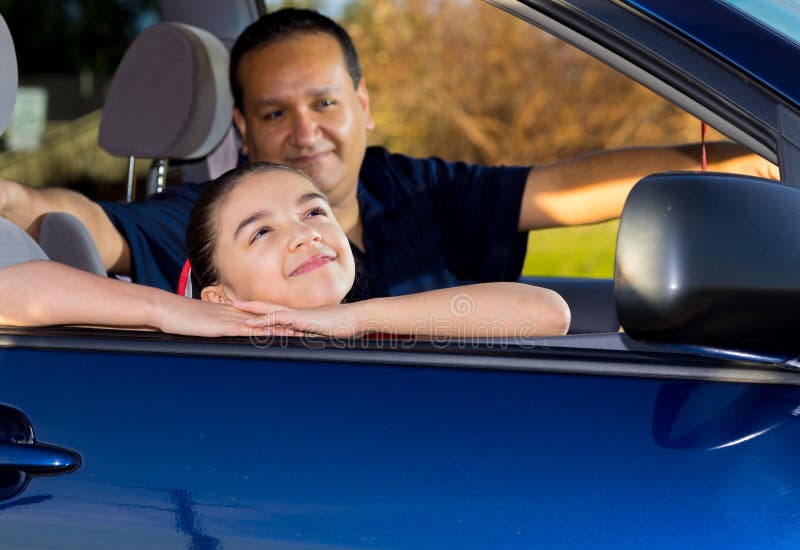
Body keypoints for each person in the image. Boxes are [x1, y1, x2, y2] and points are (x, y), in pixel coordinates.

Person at [0, 8, 778, 295]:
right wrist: (23, 203)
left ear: (362, 105)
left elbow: (564, 188)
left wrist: (742, 158)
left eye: (325, 103)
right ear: (243, 128)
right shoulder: (221, 217)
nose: (306, 132)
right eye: (276, 112)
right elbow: (88, 224)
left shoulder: (414, 189)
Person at [0, 162, 570, 339]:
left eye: (314, 211)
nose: (304, 232)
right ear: (220, 293)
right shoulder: (214, 330)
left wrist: (354, 320)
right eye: (261, 231)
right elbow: (13, 291)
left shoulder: (378, 323)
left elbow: (547, 312)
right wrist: (167, 310)